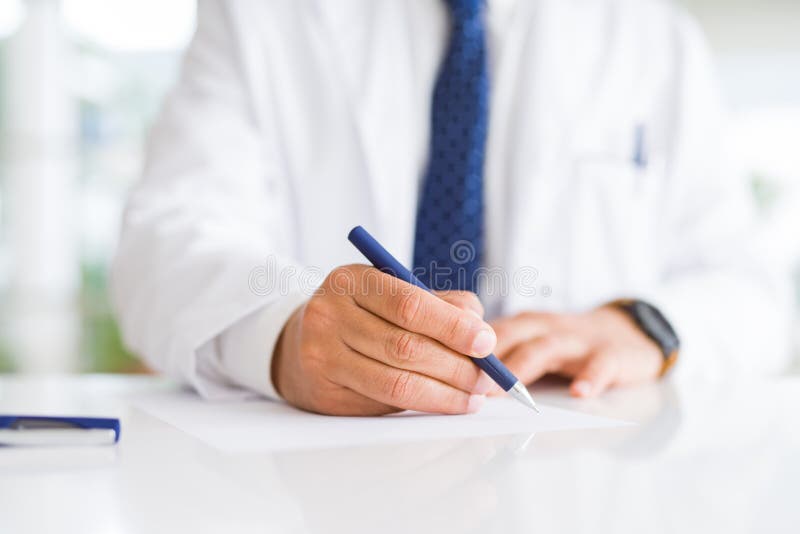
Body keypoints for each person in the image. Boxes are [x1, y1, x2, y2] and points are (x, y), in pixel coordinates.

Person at [111, 0, 791, 416]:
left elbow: (752, 293)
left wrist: (645, 325)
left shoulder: (655, 39)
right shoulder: (261, 14)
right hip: (326, 494)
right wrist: (287, 337)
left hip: (576, 483)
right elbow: (162, 243)